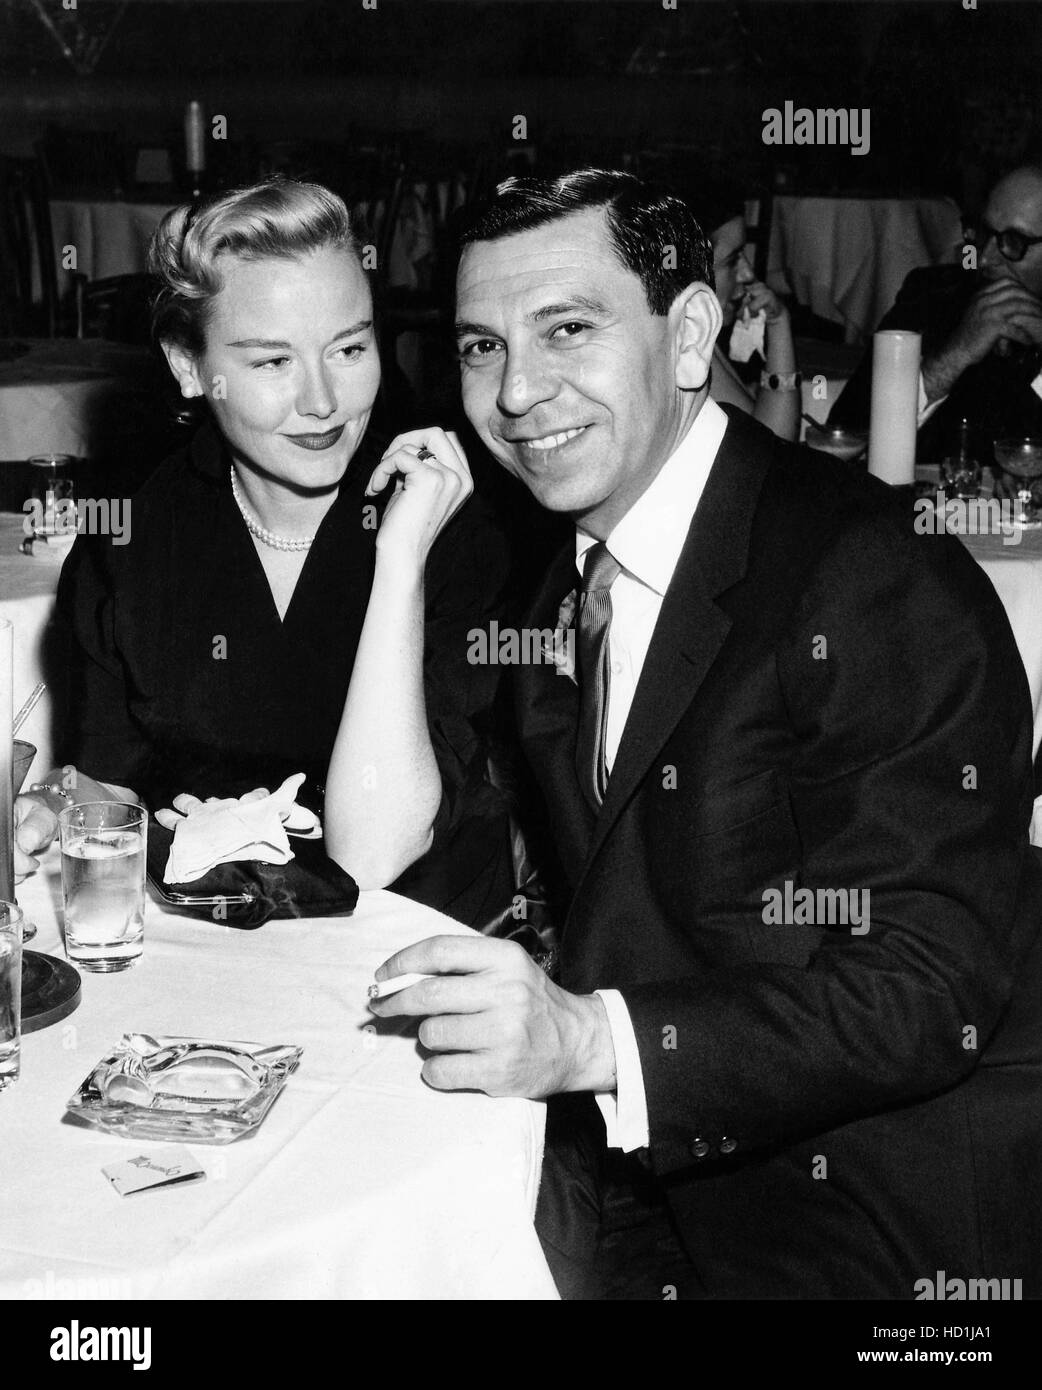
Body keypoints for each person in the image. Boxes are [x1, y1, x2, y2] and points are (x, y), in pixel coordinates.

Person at [368, 168, 1042, 1299]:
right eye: (483, 347)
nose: (518, 391)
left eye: (567, 329)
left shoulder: (870, 572)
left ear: (689, 336)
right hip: (654, 1168)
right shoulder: (558, 572)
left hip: (874, 1209)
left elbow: (924, 989)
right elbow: (426, 834)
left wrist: (590, 1039)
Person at [14, 178, 512, 925]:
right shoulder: (133, 538)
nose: (323, 401)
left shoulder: (451, 526)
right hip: (203, 934)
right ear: (189, 367)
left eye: (350, 348)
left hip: (410, 940)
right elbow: (110, 784)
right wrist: (53, 808)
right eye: (273, 362)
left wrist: (401, 562)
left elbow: (376, 854)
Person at [829, 165, 1042, 468]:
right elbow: (843, 436)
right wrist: (952, 358)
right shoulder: (933, 294)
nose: (985, 258)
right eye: (983, 233)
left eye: (1014, 242)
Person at [698, 182, 800, 442]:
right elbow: (773, 447)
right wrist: (780, 327)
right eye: (733, 260)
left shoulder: (694, 329)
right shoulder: (678, 342)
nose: (747, 274)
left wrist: (778, 320)